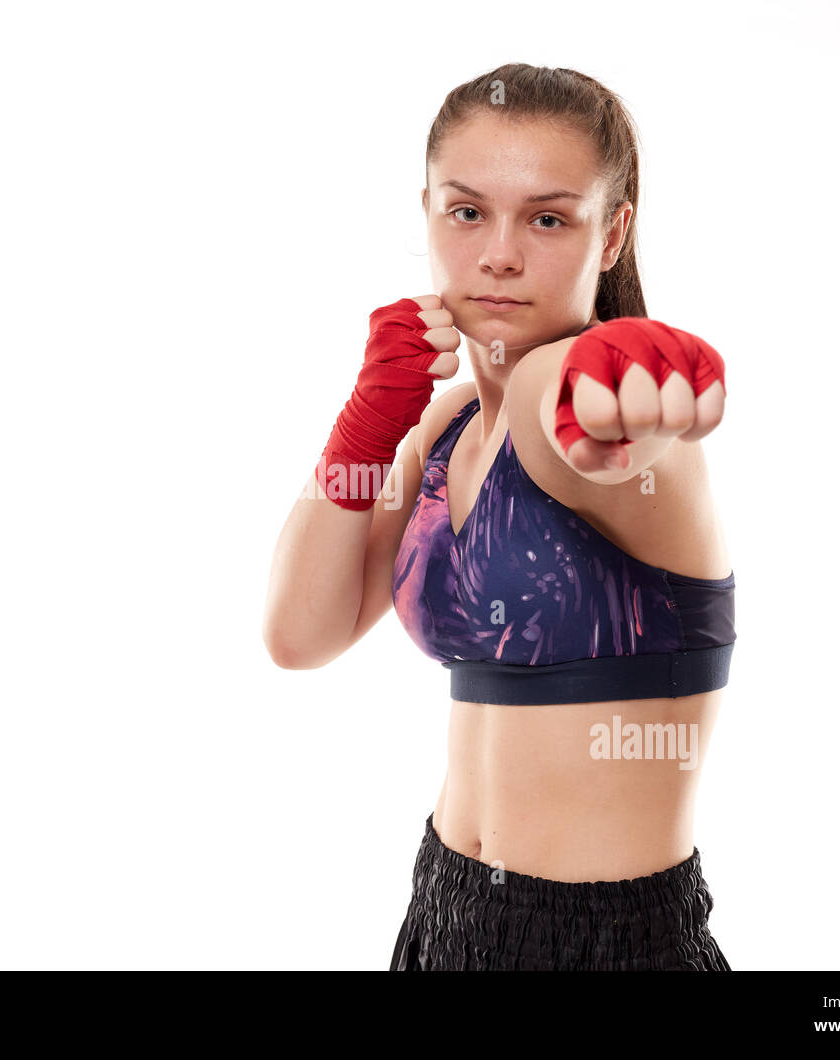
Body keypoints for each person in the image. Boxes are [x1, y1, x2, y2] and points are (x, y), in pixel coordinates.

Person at [263, 63, 735, 971]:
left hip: (610, 948)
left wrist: (629, 376)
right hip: (439, 916)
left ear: (613, 235)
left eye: (548, 218)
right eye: (467, 211)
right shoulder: (442, 426)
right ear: (429, 213)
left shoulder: (570, 406)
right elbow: (298, 635)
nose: (500, 255)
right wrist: (367, 418)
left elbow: (576, 415)